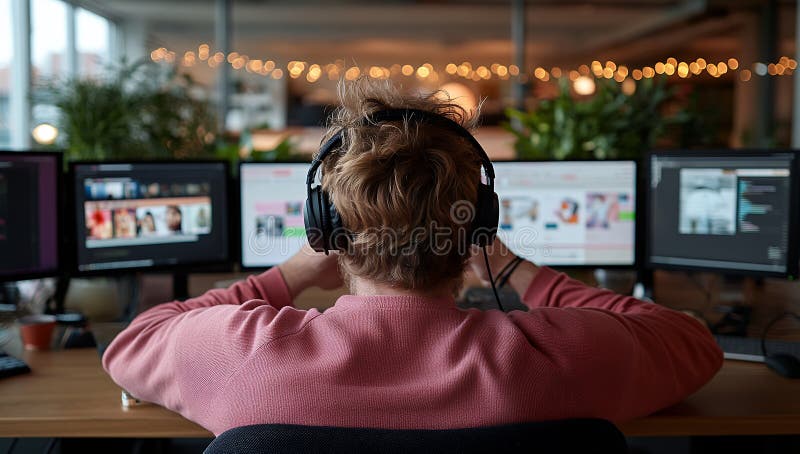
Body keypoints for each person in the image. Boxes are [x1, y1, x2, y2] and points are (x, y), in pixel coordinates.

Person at [103, 79, 722, 436]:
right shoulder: (565, 354)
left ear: (327, 231)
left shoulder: (243, 351)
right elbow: (691, 344)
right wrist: (516, 272)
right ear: (478, 228)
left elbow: (131, 345)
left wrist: (289, 274)